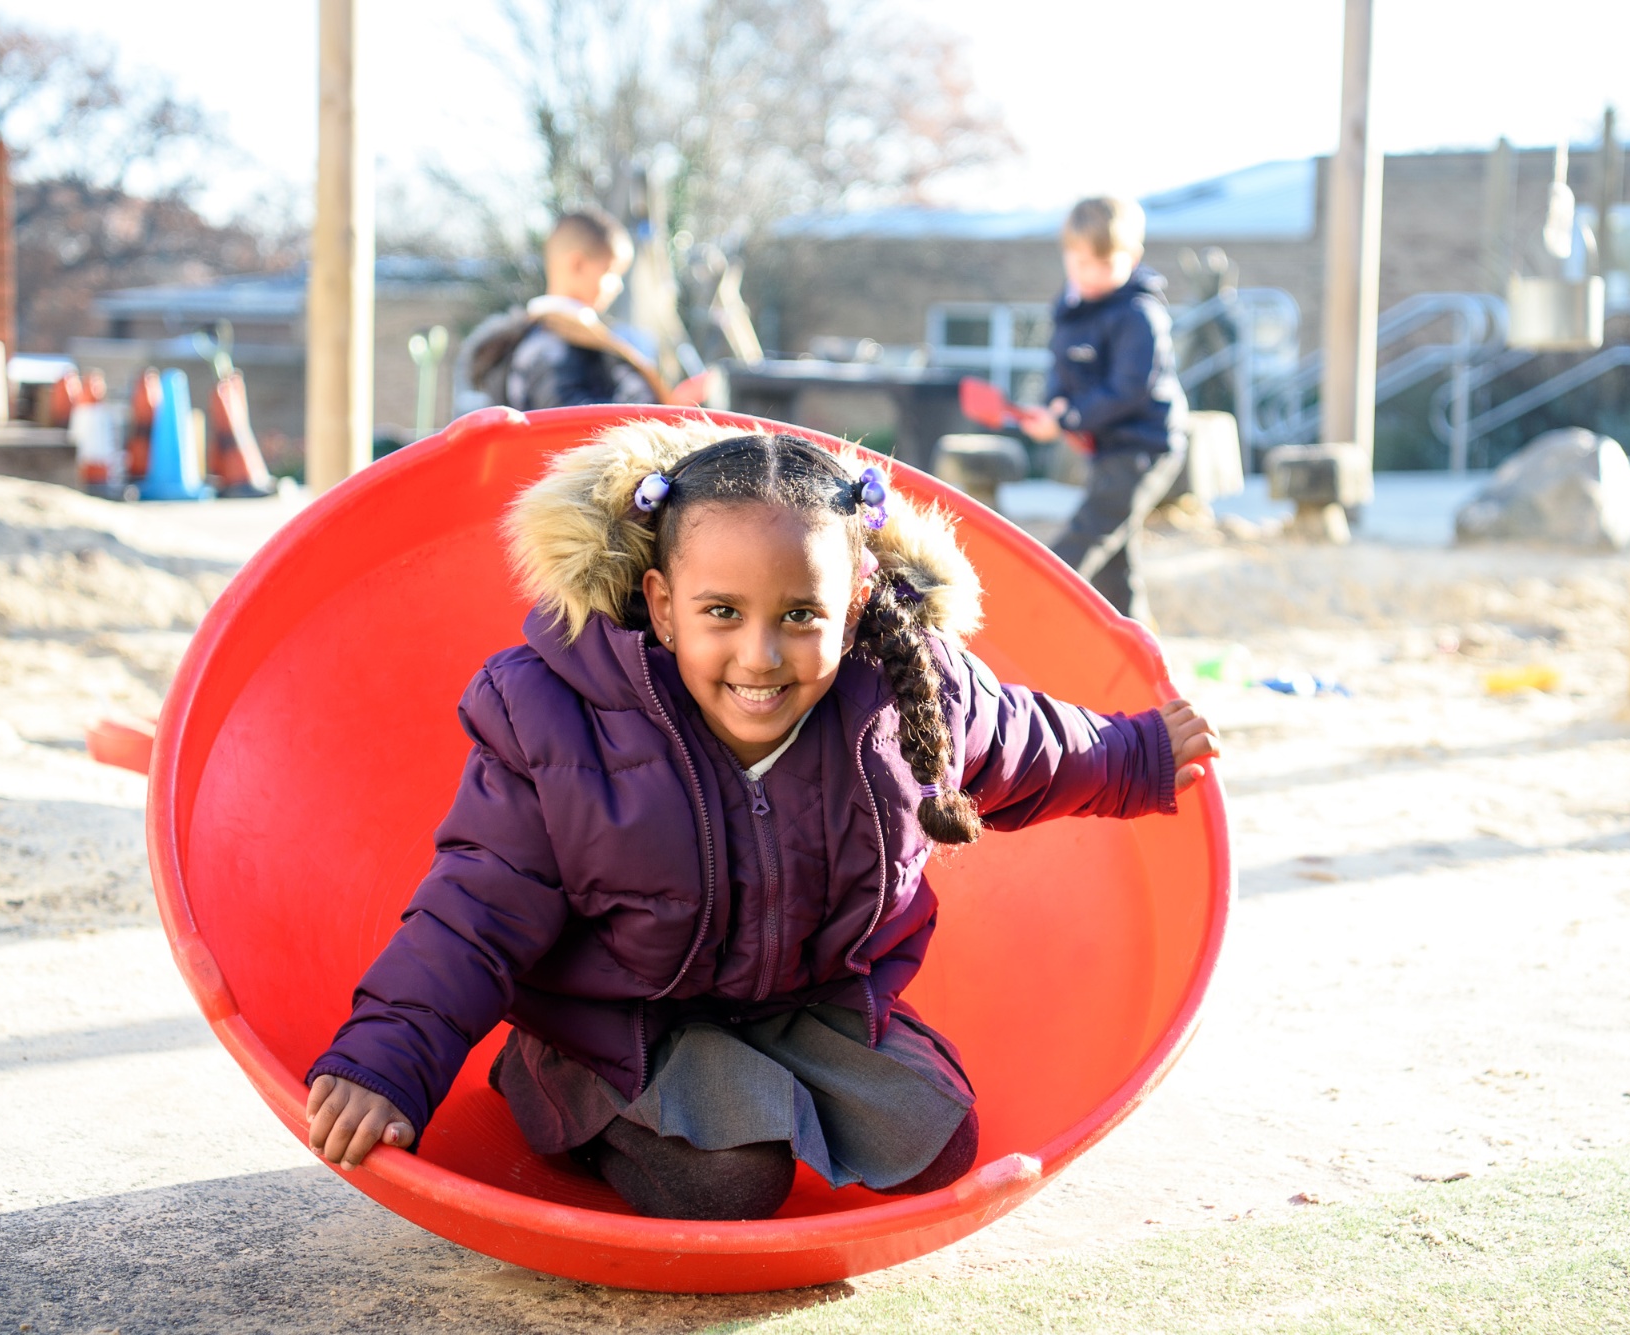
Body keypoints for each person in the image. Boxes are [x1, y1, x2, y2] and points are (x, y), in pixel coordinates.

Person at [302, 420, 1220, 1221]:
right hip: (619, 1024)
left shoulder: (903, 691)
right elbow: (477, 910)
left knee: (937, 1138)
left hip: (795, 1004)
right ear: (663, 604)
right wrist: (389, 1061)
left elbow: (1029, 744)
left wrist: (1141, 752)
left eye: (800, 615)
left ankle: (753, 1089)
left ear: (857, 601)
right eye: (721, 613)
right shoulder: (557, 717)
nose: (761, 655)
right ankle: (551, 1084)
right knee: (732, 1184)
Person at [1021, 196, 1189, 623]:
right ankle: (1135, 646)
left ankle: (1029, 606)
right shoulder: (1071, 310)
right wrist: (1055, 405)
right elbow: (1061, 368)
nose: (1089, 275)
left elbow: (1129, 389)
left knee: (1088, 534)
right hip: (1106, 447)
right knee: (1116, 562)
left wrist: (1069, 418)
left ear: (1131, 258)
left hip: (1144, 445)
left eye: (1103, 264)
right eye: (1079, 263)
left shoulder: (1139, 315)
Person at [455, 207, 708, 413]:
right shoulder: (551, 344)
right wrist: (665, 411)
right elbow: (571, 425)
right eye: (610, 272)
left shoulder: (565, 336)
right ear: (577, 264)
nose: (617, 286)